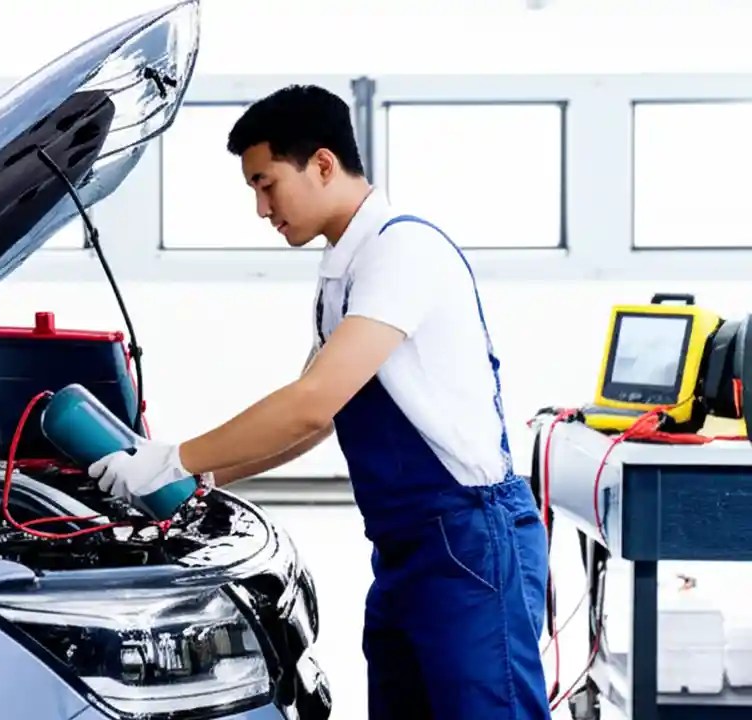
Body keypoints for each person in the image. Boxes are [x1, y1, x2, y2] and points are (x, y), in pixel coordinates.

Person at [88, 84, 551, 719]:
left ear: (323, 164)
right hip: (407, 548)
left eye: (266, 183)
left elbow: (311, 401)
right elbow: (322, 421)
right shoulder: (345, 265)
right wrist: (197, 479)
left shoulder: (401, 251)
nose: (260, 207)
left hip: (468, 542)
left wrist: (174, 460)